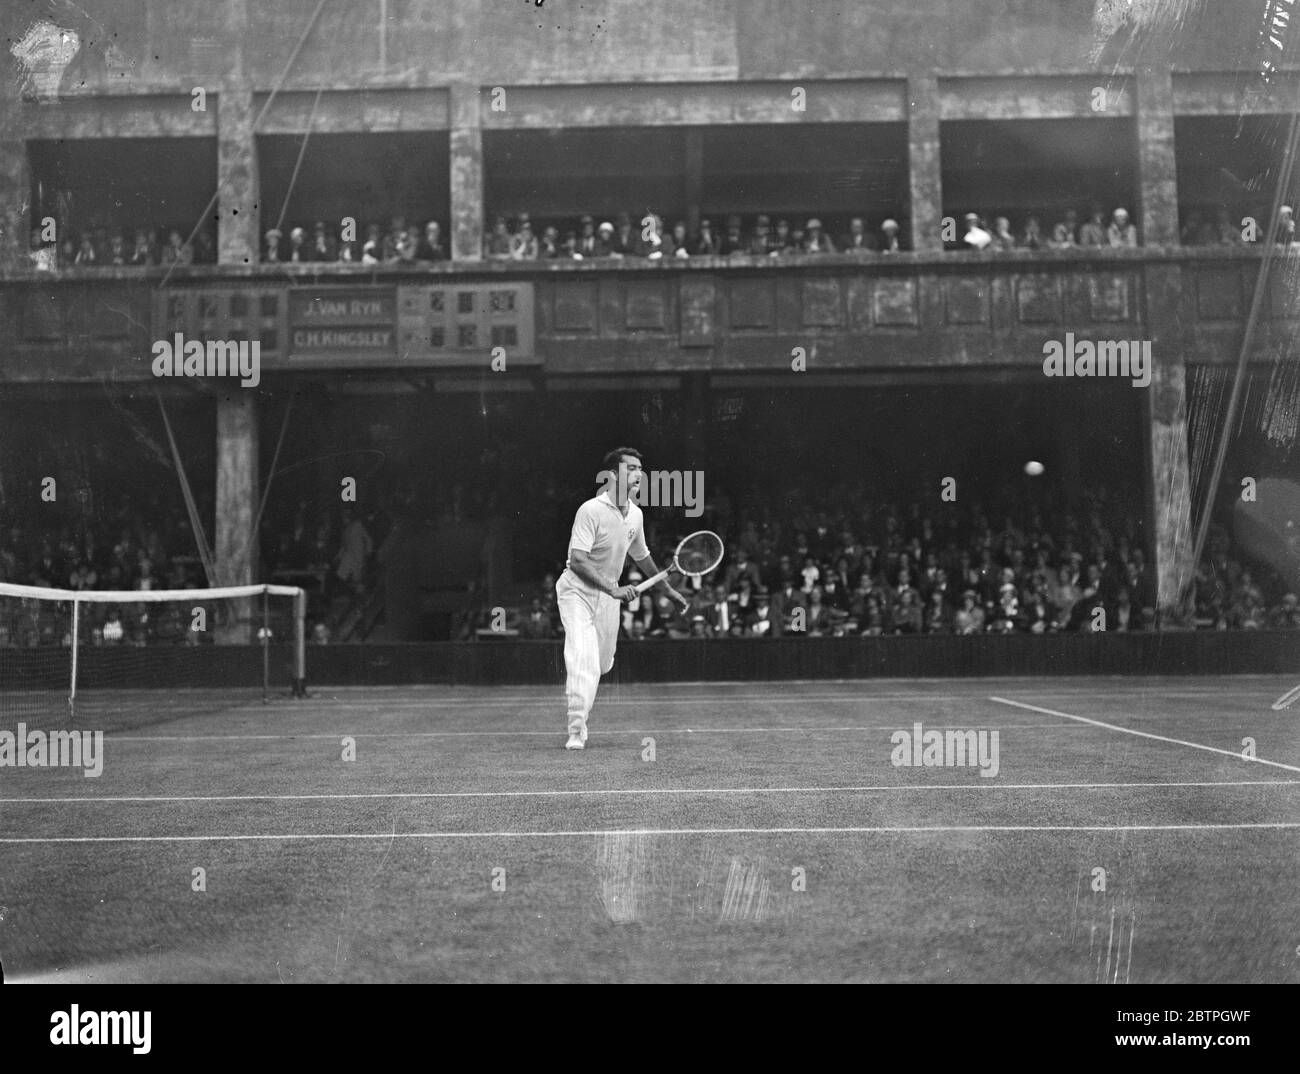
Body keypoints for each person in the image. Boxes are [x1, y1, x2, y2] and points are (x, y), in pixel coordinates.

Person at [556, 447, 688, 750]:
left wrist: (667, 589)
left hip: (607, 599)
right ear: (613, 475)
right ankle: (576, 730)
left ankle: (587, 691)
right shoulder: (590, 510)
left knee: (602, 664)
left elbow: (643, 558)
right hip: (577, 592)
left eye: (640, 468)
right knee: (582, 659)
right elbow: (577, 560)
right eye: (631, 468)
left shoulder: (637, 515)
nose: (638, 473)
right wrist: (613, 589)